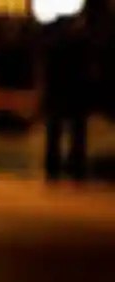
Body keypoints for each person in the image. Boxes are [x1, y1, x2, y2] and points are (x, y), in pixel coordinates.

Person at [41, 16, 95, 181]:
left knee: (55, 130)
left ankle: (53, 167)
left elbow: (48, 70)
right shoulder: (82, 45)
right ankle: (76, 167)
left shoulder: (54, 45)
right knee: (77, 131)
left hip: (58, 91)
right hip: (76, 92)